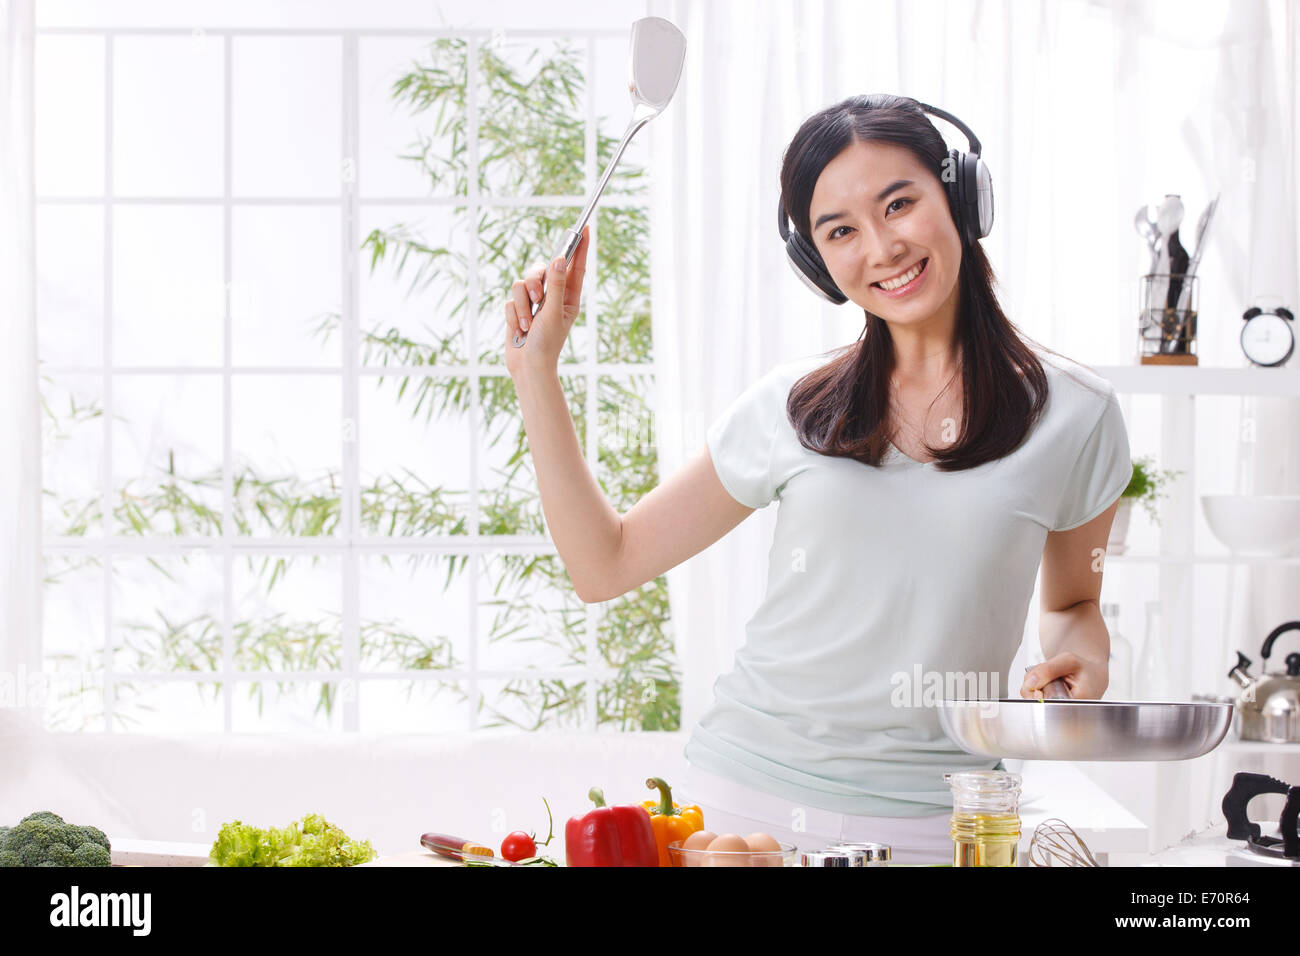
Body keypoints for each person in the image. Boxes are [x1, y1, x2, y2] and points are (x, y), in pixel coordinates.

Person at [502, 93, 1131, 864]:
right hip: (739, 805)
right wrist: (537, 373)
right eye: (840, 231)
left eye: (899, 204)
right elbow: (605, 565)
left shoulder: (1076, 415)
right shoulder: (792, 406)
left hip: (939, 823)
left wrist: (1083, 661)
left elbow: (1072, 602)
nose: (882, 248)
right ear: (818, 263)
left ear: (961, 195)